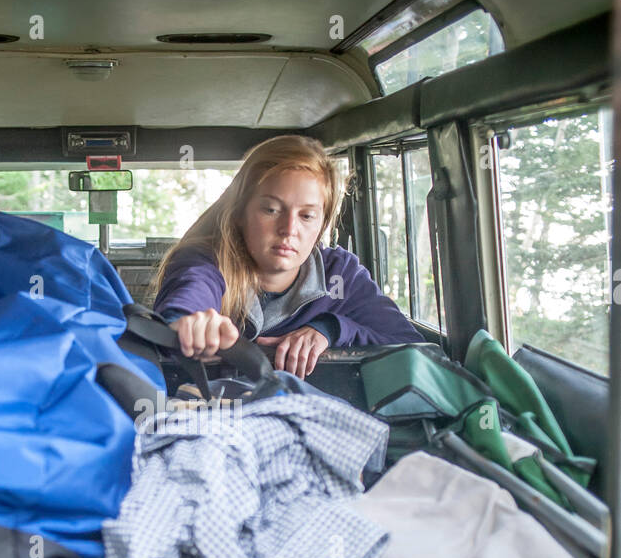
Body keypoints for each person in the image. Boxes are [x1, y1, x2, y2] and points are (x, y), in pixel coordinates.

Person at [152, 134, 423, 379]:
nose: (289, 230)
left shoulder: (341, 275)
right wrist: (192, 323)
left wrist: (332, 330)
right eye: (270, 210)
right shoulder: (206, 261)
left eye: (306, 216)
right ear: (240, 213)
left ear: (322, 224)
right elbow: (187, 300)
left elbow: (414, 349)